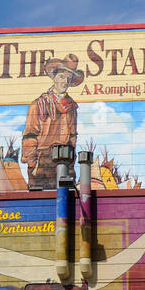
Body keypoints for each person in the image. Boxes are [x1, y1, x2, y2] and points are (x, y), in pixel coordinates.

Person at [22, 54, 84, 190]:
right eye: (62, 77)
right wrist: (33, 164)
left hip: (65, 161)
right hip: (43, 161)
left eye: (68, 78)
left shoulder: (72, 107)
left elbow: (73, 137)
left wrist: (71, 162)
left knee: (67, 202)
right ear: (54, 78)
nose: (65, 82)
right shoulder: (39, 104)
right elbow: (29, 136)